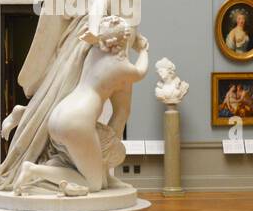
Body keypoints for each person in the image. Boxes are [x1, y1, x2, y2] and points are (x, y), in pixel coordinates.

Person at [8, 16, 149, 196]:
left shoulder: (93, 52)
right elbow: (140, 72)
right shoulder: (120, 65)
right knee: (94, 184)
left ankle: (51, 177)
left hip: (59, 114)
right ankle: (34, 171)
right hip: (76, 122)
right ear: (123, 41)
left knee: (73, 161)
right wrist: (144, 50)